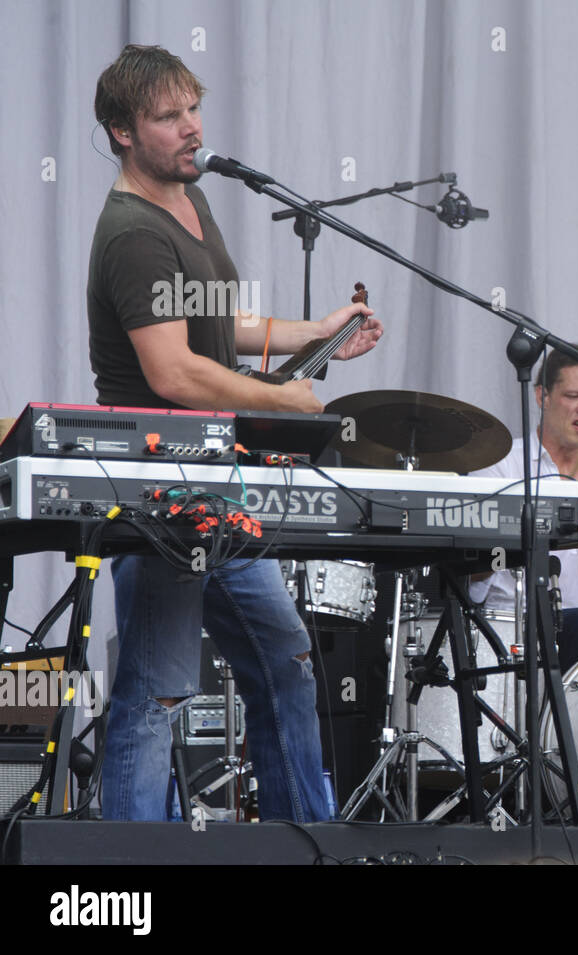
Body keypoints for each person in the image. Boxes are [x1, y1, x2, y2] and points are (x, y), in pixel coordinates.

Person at [88, 45, 382, 821]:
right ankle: (132, 868)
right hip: (162, 489)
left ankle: (304, 842)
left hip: (218, 482)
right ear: (123, 132)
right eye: (168, 116)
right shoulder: (134, 233)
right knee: (157, 691)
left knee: (284, 662)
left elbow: (214, 321)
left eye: (194, 108)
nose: (192, 127)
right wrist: (278, 399)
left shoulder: (189, 199)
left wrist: (311, 332)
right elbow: (174, 372)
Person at [469, 347, 578, 671]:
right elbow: (471, 568)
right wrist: (501, 550)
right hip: (507, 632)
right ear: (541, 396)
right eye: (574, 396)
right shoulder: (501, 466)